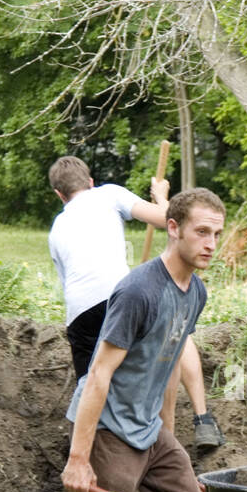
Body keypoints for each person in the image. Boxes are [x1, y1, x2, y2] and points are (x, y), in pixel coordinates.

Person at [28, 188, 225, 492]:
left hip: (149, 431)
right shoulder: (139, 290)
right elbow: (97, 374)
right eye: (201, 232)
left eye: (217, 234)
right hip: (110, 433)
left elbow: (168, 365)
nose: (210, 244)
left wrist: (170, 442)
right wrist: (79, 457)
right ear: (173, 227)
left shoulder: (194, 292)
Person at [47, 155, 225, 450]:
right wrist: (160, 196)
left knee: (92, 385)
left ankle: (88, 454)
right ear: (91, 182)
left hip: (80, 312)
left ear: (59, 194)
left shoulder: (57, 227)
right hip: (121, 295)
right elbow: (173, 218)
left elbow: (67, 281)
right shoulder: (108, 193)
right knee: (168, 352)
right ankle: (190, 424)